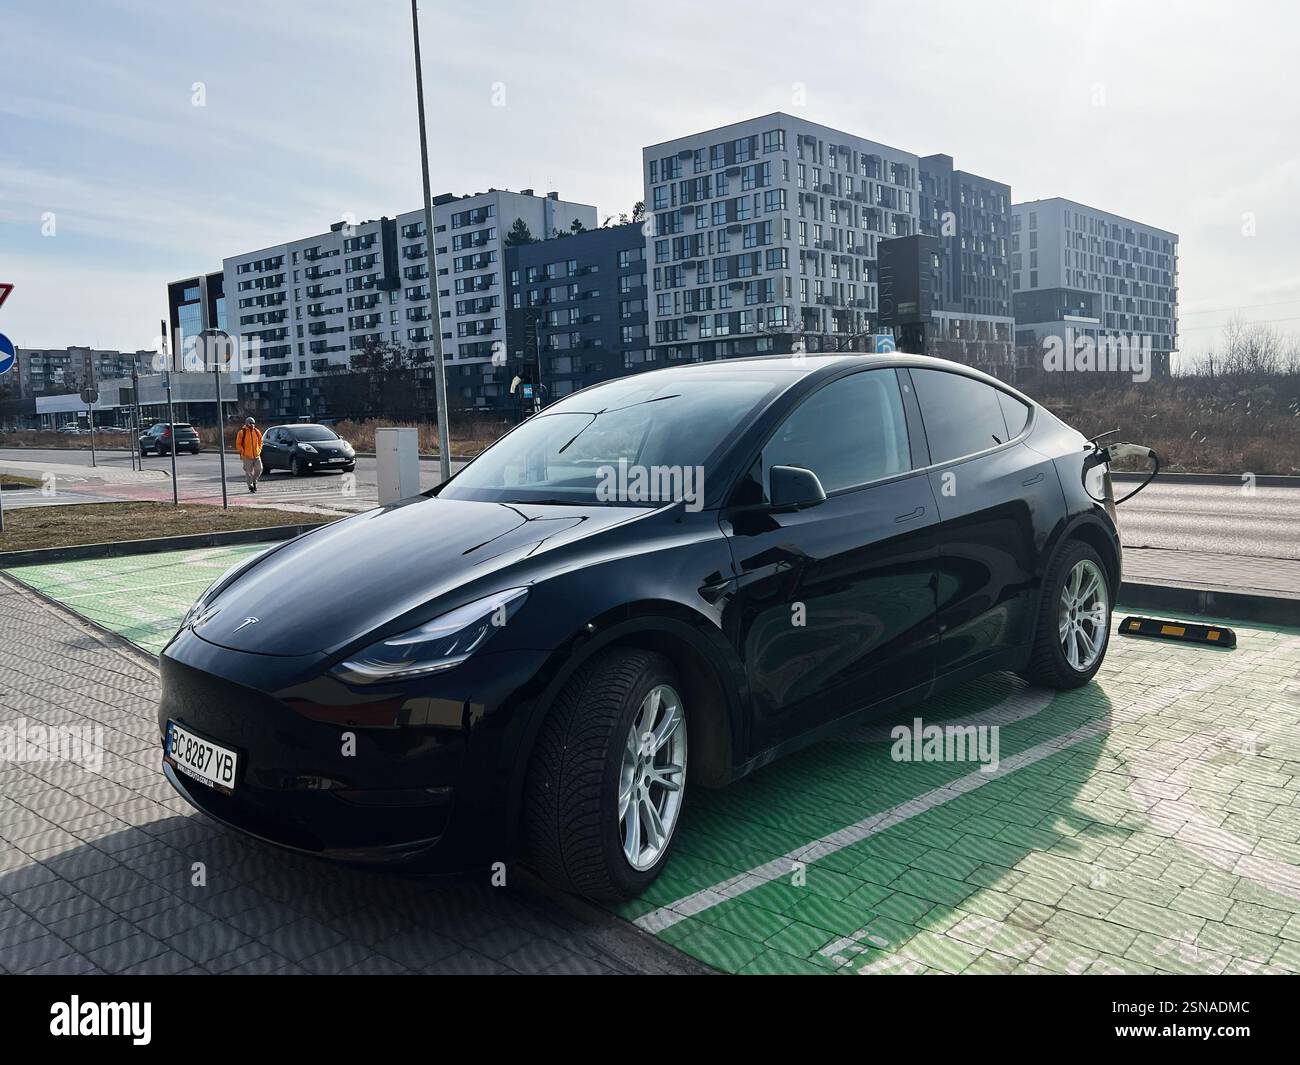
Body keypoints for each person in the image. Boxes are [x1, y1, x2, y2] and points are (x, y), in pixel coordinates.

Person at [234, 416, 263, 493]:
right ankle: (250, 486)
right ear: (247, 424)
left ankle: (254, 481)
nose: (252, 425)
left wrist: (259, 450)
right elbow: (238, 444)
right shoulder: (241, 432)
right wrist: (243, 452)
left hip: (256, 455)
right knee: (248, 472)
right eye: (251, 423)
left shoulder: (257, 431)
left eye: (253, 423)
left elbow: (260, 441)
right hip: (246, 456)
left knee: (259, 469)